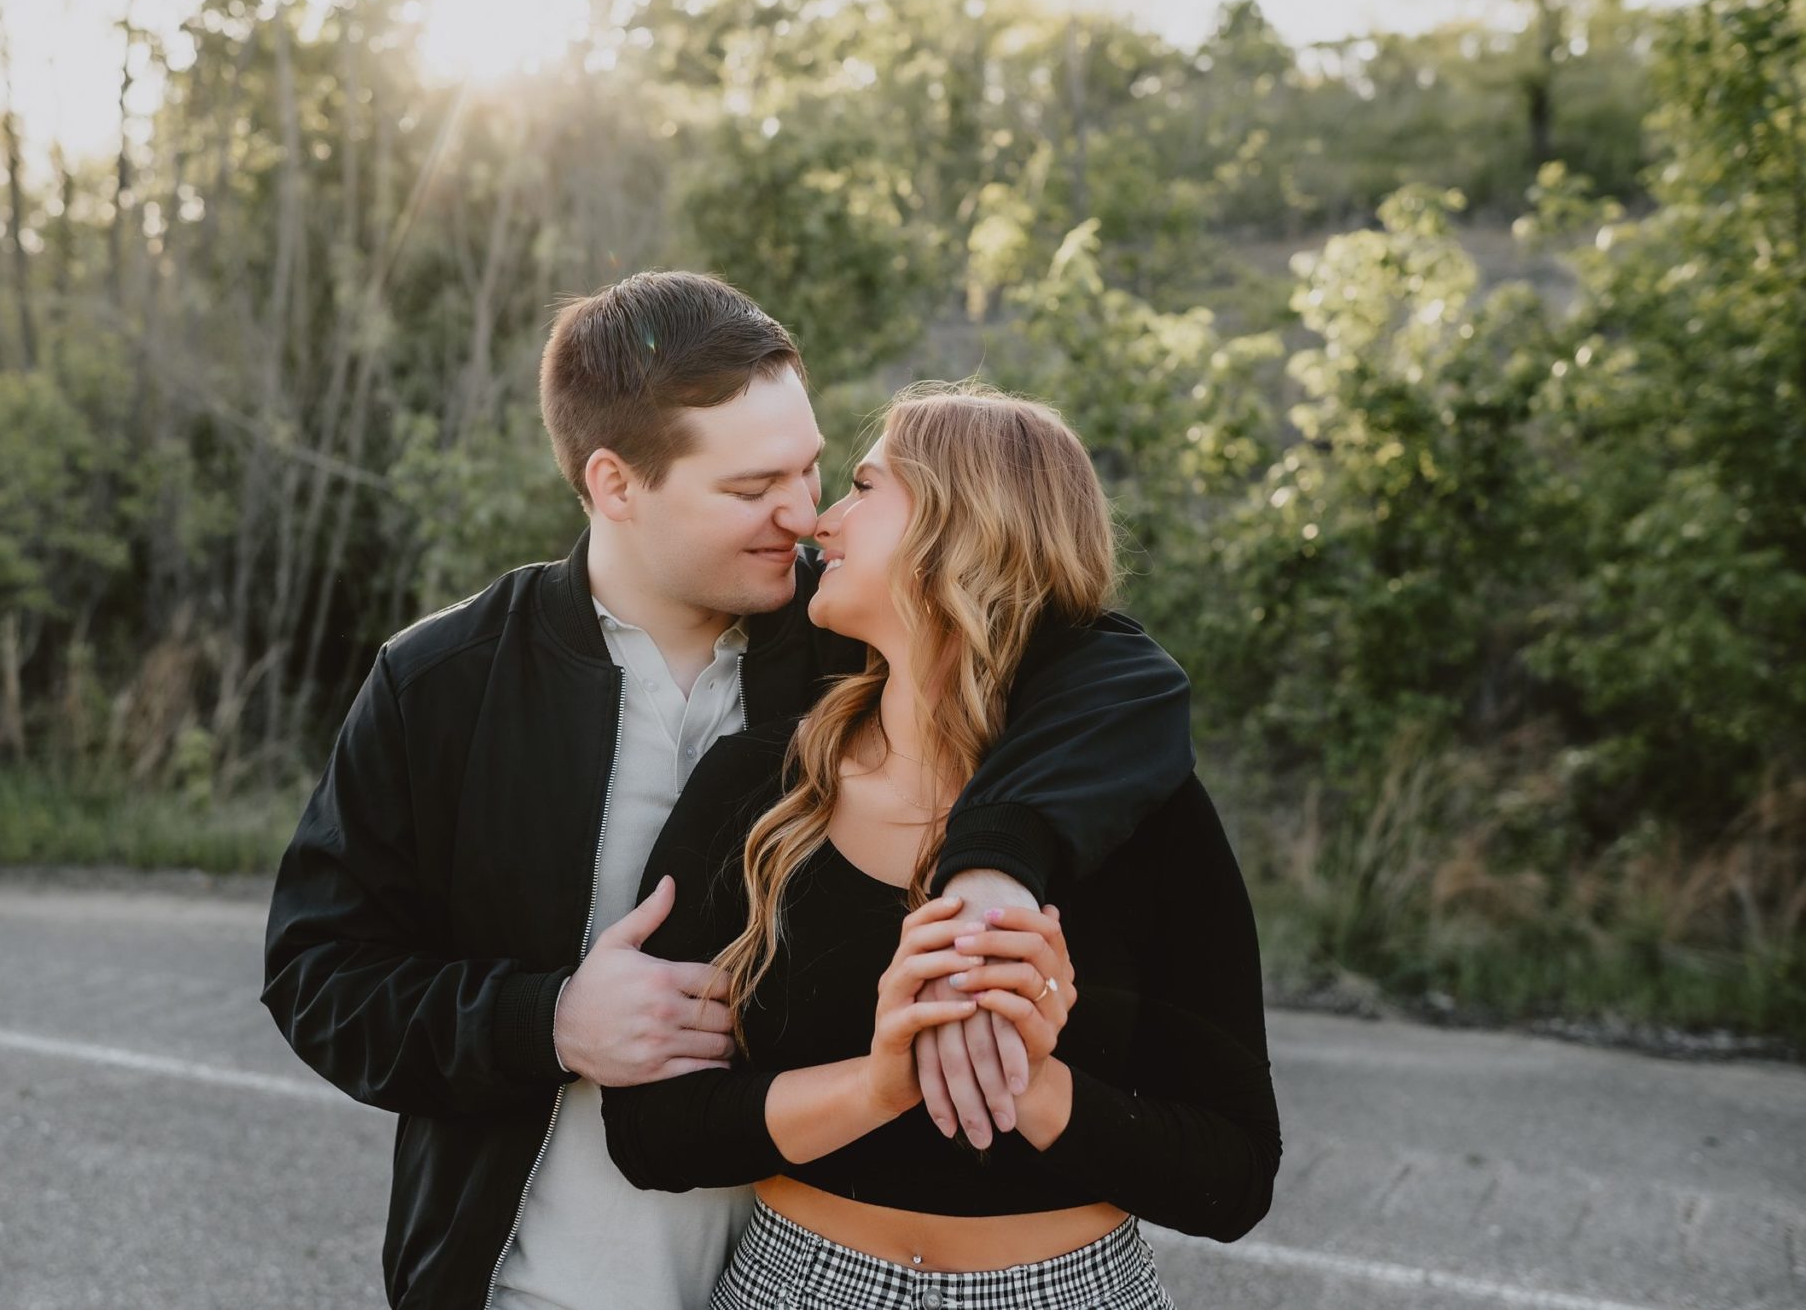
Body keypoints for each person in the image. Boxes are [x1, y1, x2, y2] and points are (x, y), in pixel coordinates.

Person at [261, 273, 1198, 1310]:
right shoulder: (444, 679)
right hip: (538, 1278)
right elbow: (320, 973)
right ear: (616, 483)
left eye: (807, 468)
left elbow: (1122, 673)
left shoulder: (859, 644)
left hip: (805, 1272)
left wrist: (992, 867)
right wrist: (550, 1021)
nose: (801, 514)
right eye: (752, 489)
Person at [602, 386, 1281, 1309]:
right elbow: (650, 1133)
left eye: (862, 485)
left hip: (1070, 1290)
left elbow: (1235, 1173)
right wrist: (881, 1083)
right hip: (798, 1283)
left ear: (965, 523)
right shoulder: (756, 786)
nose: (822, 522)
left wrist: (1033, 1088)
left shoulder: (1142, 812)